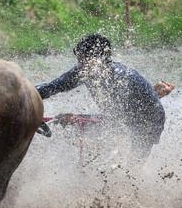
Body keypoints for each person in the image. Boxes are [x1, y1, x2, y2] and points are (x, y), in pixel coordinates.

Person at [37, 33, 166, 157]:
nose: (80, 65)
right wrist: (29, 94)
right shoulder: (85, 71)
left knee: (132, 162)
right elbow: (53, 87)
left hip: (149, 121)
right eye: (79, 60)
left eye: (83, 59)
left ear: (98, 59)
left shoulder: (119, 77)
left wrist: (78, 118)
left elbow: (117, 120)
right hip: (129, 116)